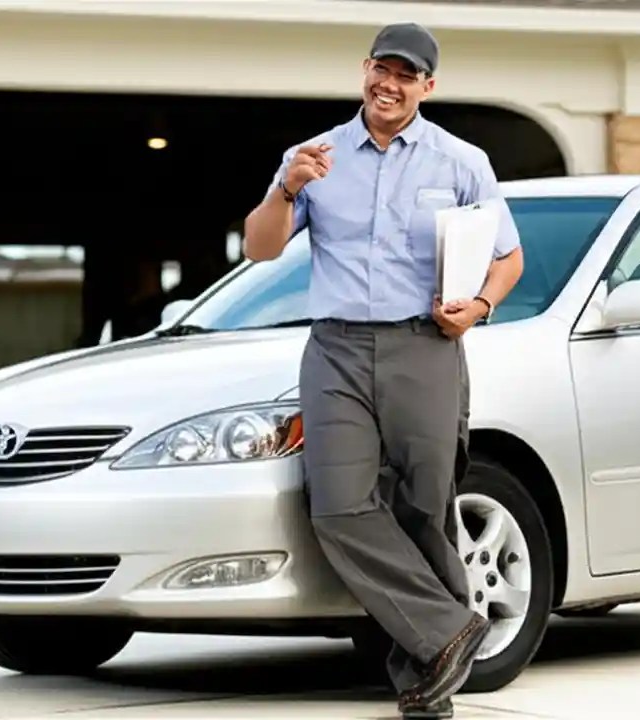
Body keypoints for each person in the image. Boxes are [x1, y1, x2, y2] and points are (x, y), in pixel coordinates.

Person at [242, 21, 524, 719]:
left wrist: (480, 306)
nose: (388, 85)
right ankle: (451, 630)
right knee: (338, 507)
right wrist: (286, 188)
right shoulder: (313, 156)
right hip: (335, 348)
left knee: (425, 505)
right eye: (381, 70)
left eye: (406, 75)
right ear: (364, 69)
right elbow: (258, 249)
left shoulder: (462, 163)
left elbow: (507, 257)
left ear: (428, 87)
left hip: (424, 346)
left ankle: (427, 678)